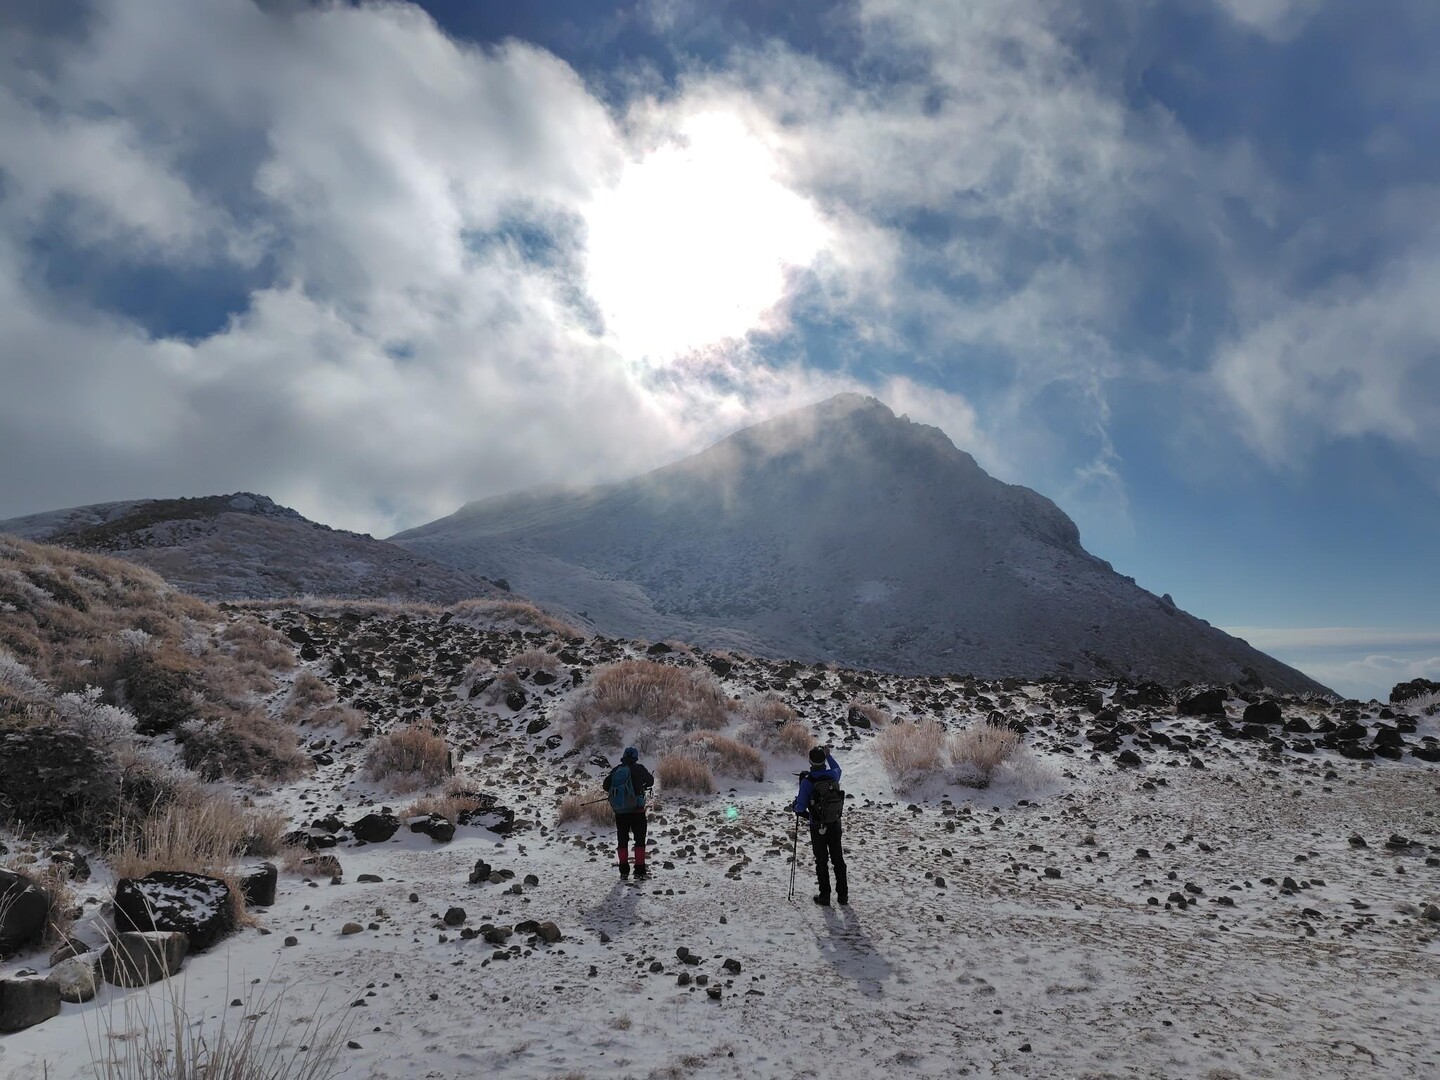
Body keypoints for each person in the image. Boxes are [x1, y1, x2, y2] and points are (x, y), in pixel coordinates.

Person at [793, 745, 848, 906]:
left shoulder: (808, 781)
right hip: (834, 822)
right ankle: (843, 896)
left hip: (817, 825)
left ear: (810, 761)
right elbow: (838, 768)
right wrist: (829, 755)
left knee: (821, 860)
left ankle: (825, 896)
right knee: (838, 859)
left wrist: (795, 806)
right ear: (824, 760)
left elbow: (800, 808)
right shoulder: (833, 775)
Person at [603, 746, 655, 880]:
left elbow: (605, 786)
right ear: (635, 757)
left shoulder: (616, 770)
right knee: (639, 840)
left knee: (622, 840)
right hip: (637, 811)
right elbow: (651, 781)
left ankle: (624, 871)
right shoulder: (640, 768)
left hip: (620, 812)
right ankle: (639, 871)